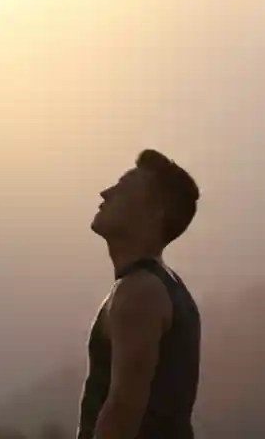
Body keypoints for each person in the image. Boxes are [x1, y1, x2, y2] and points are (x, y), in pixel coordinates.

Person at [78, 149, 201, 439]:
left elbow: (122, 410)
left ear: (153, 212)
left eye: (122, 189)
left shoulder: (139, 292)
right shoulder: (166, 288)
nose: (105, 193)